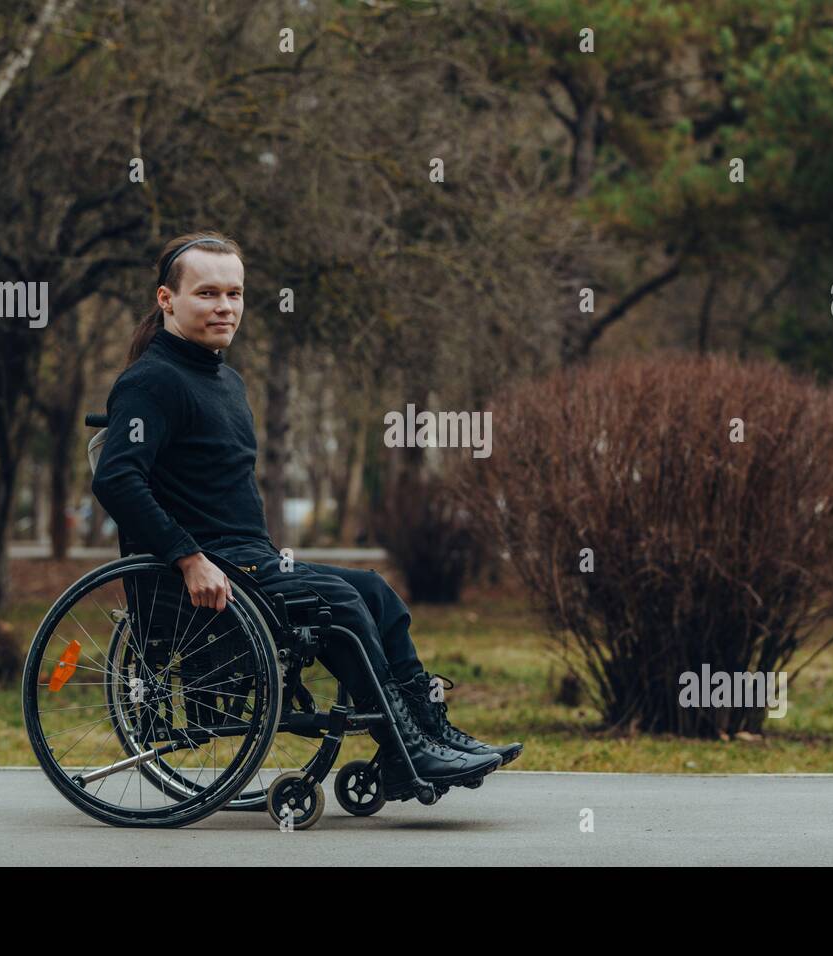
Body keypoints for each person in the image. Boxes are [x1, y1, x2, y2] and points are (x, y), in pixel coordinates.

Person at [91, 230, 522, 800]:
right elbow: (116, 479)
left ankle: (427, 730)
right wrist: (188, 558)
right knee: (339, 604)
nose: (225, 306)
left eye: (235, 294)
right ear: (167, 300)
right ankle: (404, 748)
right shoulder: (150, 383)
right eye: (208, 293)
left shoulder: (225, 379)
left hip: (251, 564)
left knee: (374, 590)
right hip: (202, 577)